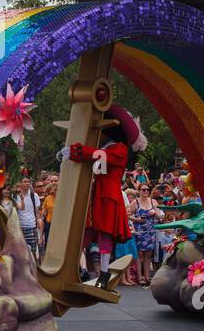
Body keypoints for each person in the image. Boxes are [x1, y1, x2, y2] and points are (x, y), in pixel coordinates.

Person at [58, 104, 145, 289]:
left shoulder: (119, 149)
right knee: (84, 232)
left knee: (104, 234)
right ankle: (69, 268)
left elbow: (101, 156)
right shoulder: (106, 146)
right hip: (98, 194)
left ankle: (104, 274)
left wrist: (76, 151)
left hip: (108, 196)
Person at [131, 183, 163, 286]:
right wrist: (137, 219)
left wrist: (155, 213)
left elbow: (160, 218)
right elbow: (127, 215)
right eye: (143, 190)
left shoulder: (153, 202)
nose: (146, 191)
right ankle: (140, 277)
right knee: (140, 255)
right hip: (139, 231)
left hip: (150, 231)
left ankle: (147, 277)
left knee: (148, 256)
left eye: (147, 189)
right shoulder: (135, 202)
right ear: (139, 191)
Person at [14, 178, 43, 260]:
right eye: (24, 182)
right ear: (20, 183)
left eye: (28, 182)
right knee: (21, 253)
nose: (27, 183)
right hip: (20, 227)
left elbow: (37, 213)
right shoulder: (16, 196)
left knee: (33, 251)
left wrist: (40, 231)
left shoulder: (34, 196)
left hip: (32, 226)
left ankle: (36, 269)